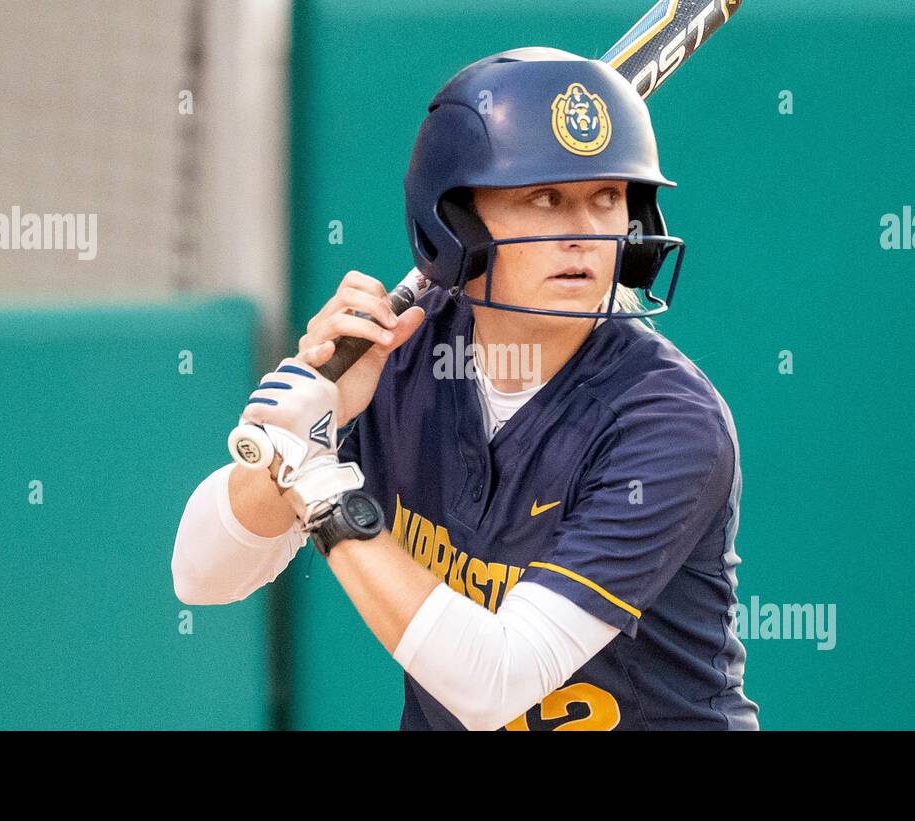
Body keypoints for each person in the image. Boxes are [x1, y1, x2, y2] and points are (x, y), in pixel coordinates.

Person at [172, 47, 759, 731]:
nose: (584, 234)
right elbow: (202, 576)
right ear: (458, 226)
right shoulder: (397, 361)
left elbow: (495, 683)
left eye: (606, 197)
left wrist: (320, 481)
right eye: (545, 198)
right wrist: (299, 439)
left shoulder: (667, 422)